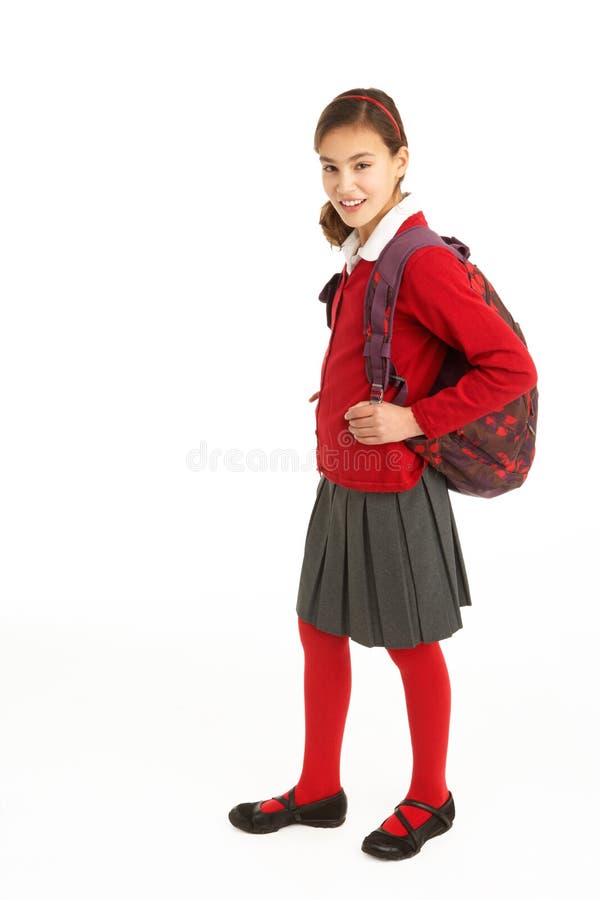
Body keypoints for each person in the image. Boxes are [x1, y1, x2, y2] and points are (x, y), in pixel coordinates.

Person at [227, 88, 537, 861]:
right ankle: (319, 789)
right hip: (343, 478)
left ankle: (432, 797)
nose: (344, 184)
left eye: (362, 164)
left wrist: (411, 419)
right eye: (329, 168)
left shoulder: (419, 258)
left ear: (401, 162)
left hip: (395, 486)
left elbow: (512, 366)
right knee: (318, 628)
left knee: (411, 644)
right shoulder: (365, 248)